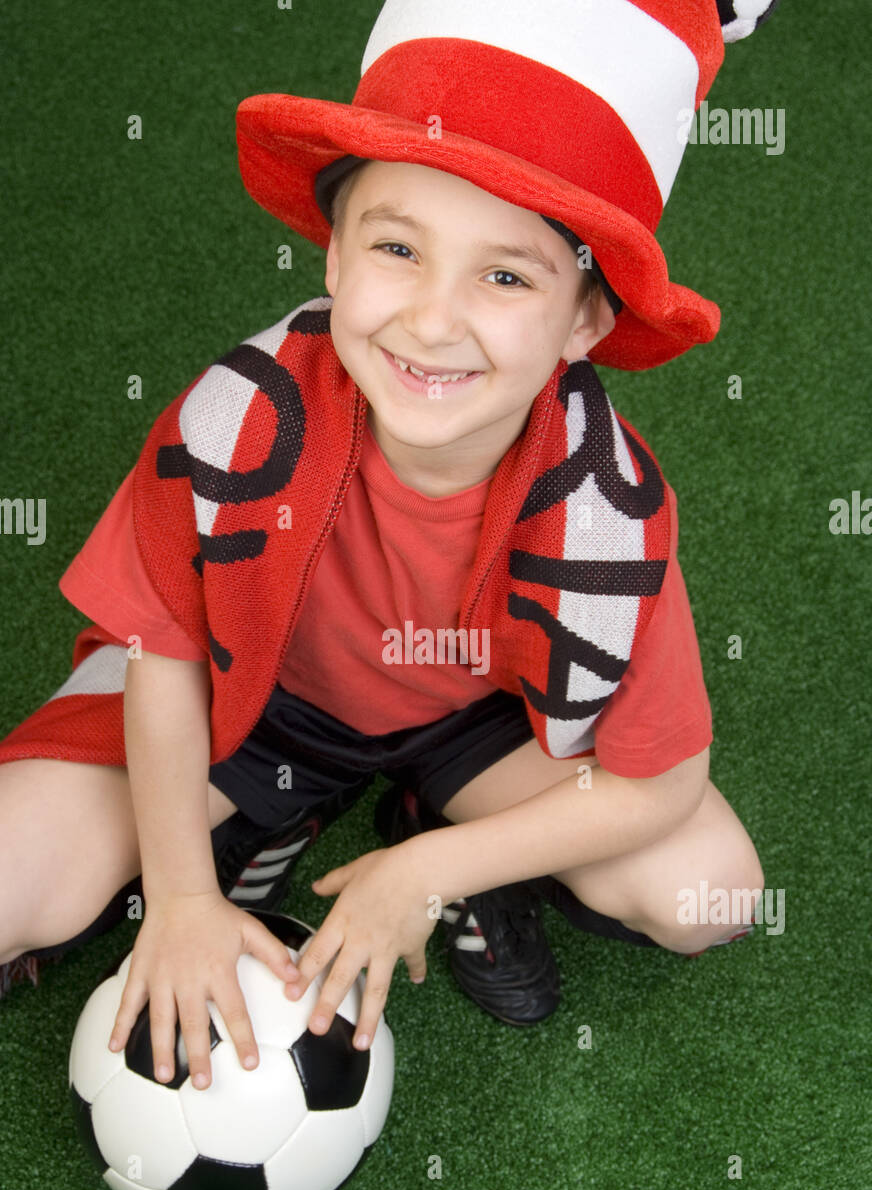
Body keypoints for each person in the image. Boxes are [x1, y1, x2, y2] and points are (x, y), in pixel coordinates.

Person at [0, 0, 778, 1091]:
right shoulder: (239, 415)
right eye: (398, 247)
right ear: (332, 252)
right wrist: (177, 895)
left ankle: (427, 827)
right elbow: (162, 649)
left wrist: (428, 866)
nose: (429, 319)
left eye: (505, 276)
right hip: (246, 699)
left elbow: (662, 779)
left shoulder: (609, 503)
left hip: (471, 726)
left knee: (707, 888)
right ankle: (276, 803)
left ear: (584, 322)